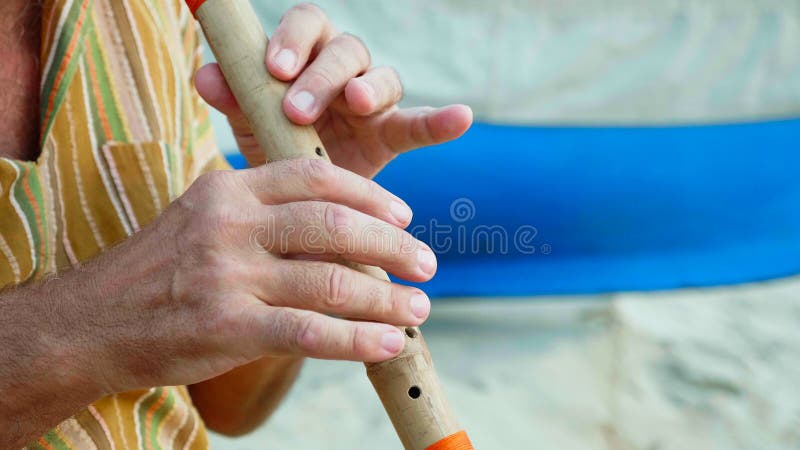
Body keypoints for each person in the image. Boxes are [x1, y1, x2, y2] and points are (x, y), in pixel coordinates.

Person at [0, 0, 473, 448]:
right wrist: (92, 327)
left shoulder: (153, 12)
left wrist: (294, 230)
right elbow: (126, 319)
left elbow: (229, 407)